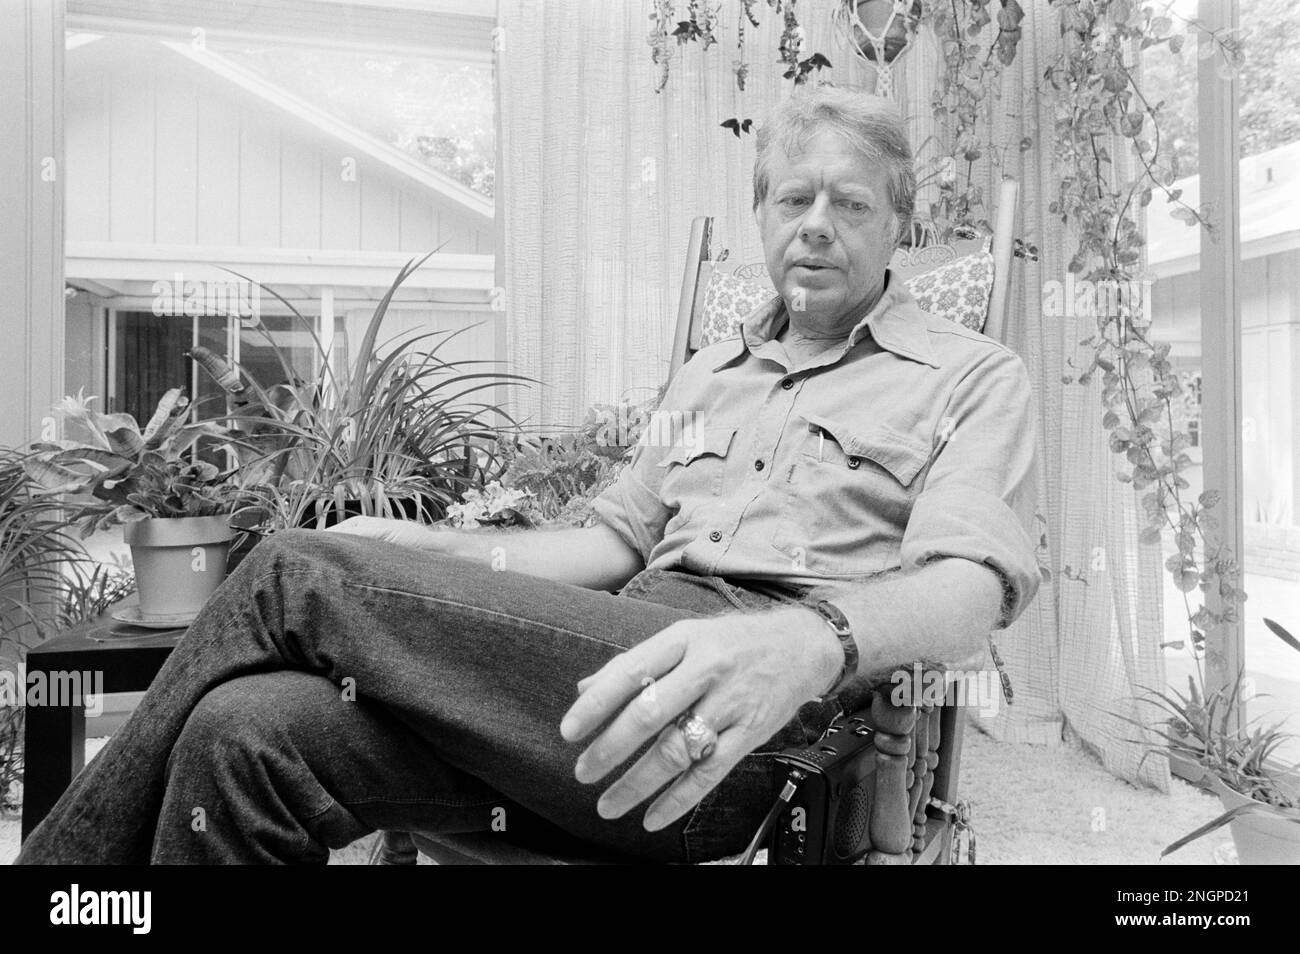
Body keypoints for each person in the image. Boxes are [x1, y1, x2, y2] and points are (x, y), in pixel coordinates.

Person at [17, 87, 1039, 865]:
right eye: (791, 197)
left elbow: (974, 588)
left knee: (293, 570)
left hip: (736, 740)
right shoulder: (710, 372)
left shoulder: (969, 375)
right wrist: (448, 551)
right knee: (242, 735)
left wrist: (809, 642)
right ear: (761, 215)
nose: (814, 222)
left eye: (849, 202)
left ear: (898, 222)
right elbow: (611, 544)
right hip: (580, 694)